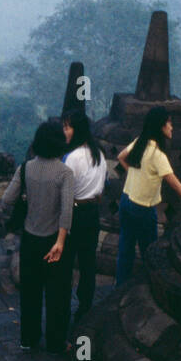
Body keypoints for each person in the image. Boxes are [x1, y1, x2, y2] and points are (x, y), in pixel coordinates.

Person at [0, 120, 74, 352]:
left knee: (30, 293)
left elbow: (6, 200)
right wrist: (61, 242)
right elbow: (66, 211)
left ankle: (28, 340)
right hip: (55, 241)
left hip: (30, 240)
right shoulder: (65, 173)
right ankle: (56, 341)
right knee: (58, 295)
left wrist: (27, 201)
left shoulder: (25, 168)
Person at [115, 106, 181, 285]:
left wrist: (136, 174)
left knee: (126, 249)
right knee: (150, 252)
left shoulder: (141, 142)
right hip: (143, 208)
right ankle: (147, 291)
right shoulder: (157, 155)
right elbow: (177, 186)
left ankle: (120, 285)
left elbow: (121, 157)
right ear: (160, 126)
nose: (171, 127)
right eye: (169, 123)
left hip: (126, 200)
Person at [62, 105, 106, 315]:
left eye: (68, 127)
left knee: (66, 260)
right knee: (88, 261)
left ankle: (62, 302)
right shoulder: (99, 156)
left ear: (77, 130)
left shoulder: (73, 157)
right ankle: (86, 304)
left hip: (75, 213)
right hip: (93, 213)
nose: (65, 131)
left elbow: (65, 192)